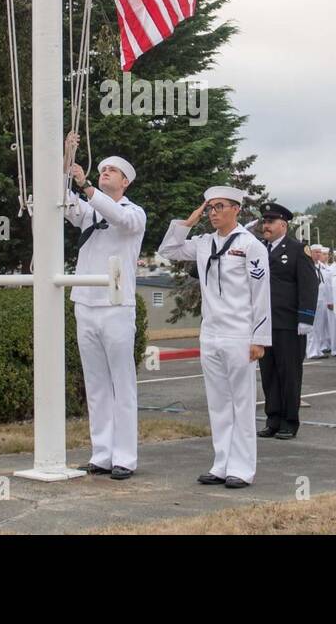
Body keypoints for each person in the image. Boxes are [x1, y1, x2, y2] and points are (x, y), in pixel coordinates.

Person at [158, 186, 271, 488]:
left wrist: (259, 338)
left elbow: (261, 296)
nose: (214, 213)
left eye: (220, 206)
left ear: (236, 209)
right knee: (218, 403)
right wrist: (189, 221)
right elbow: (167, 250)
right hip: (211, 333)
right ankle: (221, 462)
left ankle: (242, 468)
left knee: (242, 403)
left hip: (239, 334)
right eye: (210, 208)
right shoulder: (203, 243)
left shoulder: (251, 246)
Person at [63, 138, 146, 480]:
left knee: (121, 383)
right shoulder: (89, 208)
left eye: (111, 170)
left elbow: (117, 217)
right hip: (86, 302)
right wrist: (67, 160)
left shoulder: (133, 212)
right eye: (102, 170)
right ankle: (102, 453)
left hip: (115, 304)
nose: (105, 173)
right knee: (95, 383)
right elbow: (64, 202)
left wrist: (86, 186)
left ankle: (125, 456)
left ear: (125, 181)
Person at [257, 202, 318, 440]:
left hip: (289, 322)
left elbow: (309, 285)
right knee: (269, 373)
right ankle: (273, 419)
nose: (266, 226)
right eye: (264, 222)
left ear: (283, 224)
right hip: (265, 322)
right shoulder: (259, 248)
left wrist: (306, 317)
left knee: (289, 373)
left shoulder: (297, 250)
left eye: (271, 222)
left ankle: (289, 422)